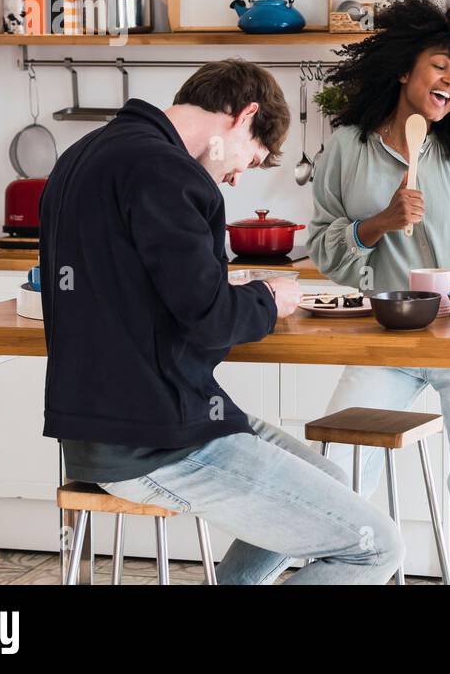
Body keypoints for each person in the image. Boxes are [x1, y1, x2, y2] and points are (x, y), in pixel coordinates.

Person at [40, 58, 403, 584]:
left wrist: (218, 287)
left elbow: (142, 284)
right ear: (245, 114)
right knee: (374, 549)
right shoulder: (170, 171)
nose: (236, 176)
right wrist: (268, 297)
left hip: (114, 425)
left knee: (332, 482)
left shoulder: (84, 154)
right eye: (251, 160)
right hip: (158, 438)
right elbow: (209, 321)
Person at [306, 0, 450, 583]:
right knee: (338, 468)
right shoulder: (346, 146)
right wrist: (378, 224)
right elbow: (322, 244)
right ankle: (342, 572)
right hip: (386, 337)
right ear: (404, 70)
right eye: (441, 66)